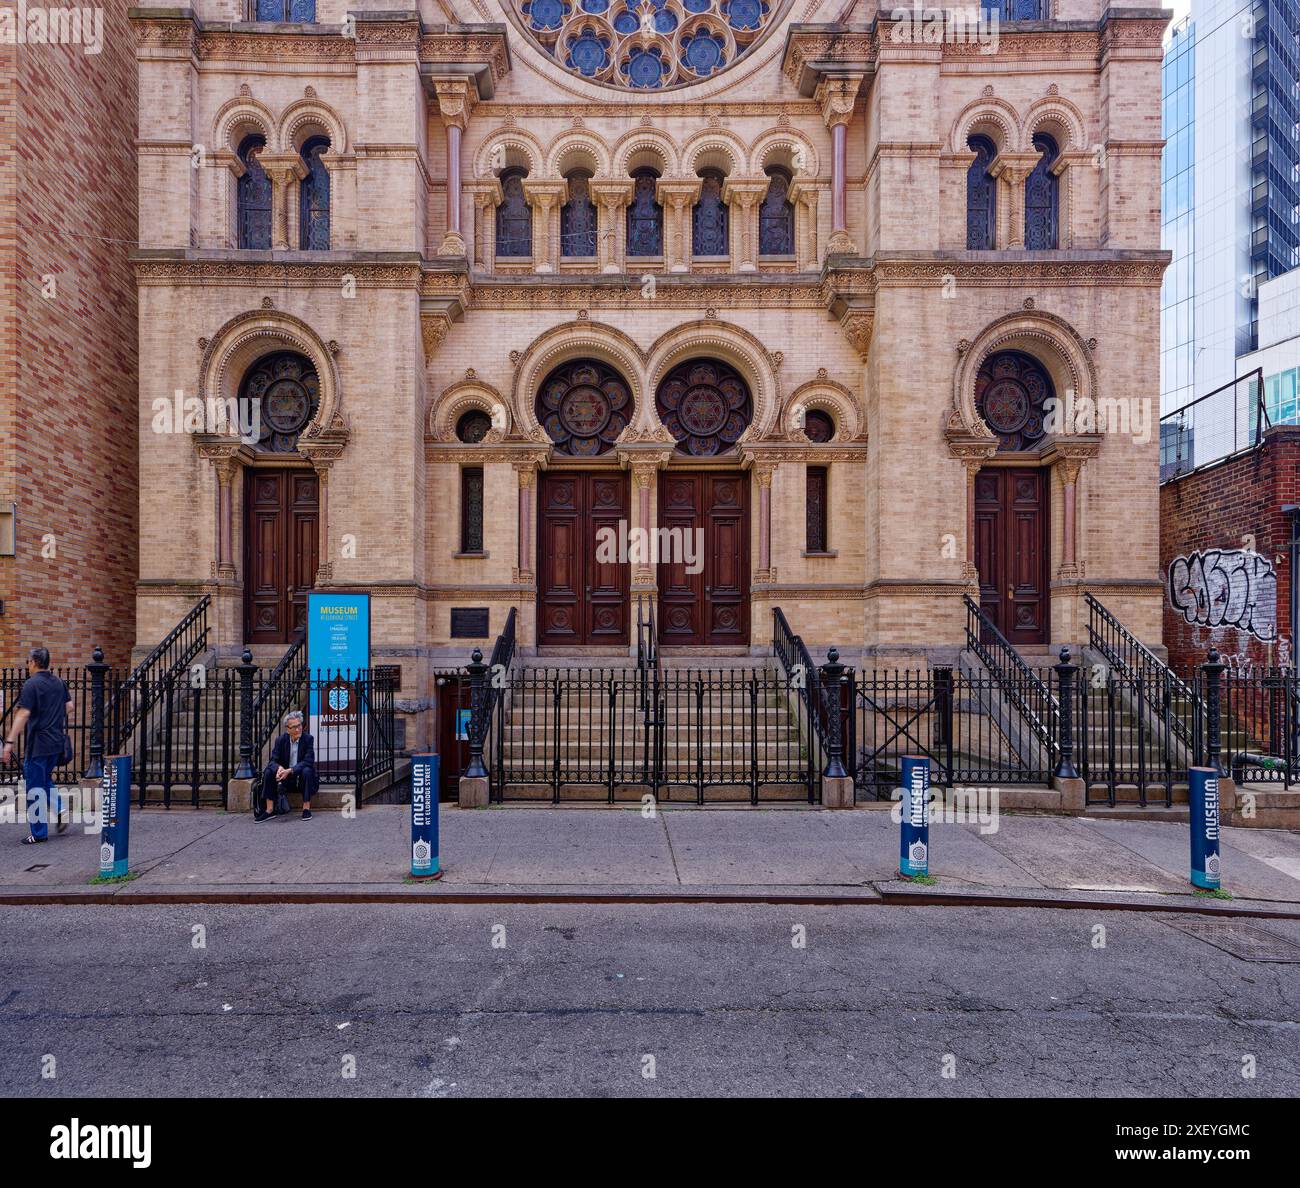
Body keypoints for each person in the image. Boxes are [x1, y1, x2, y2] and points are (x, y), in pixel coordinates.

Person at [2, 648, 73, 845]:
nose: (27, 665)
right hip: (56, 743)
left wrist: (8, 743)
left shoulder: (31, 684)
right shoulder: (59, 682)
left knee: (34, 789)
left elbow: (23, 714)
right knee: (44, 780)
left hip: (38, 745)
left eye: (28, 661)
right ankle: (60, 809)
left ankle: (39, 833)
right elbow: (70, 707)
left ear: (33, 662)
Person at [256, 710, 317, 822]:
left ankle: (306, 809)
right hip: (284, 778)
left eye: (299, 725)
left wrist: (290, 770)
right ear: (288, 729)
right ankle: (269, 810)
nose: (298, 729)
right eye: (294, 727)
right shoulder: (281, 740)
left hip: (300, 777)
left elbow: (308, 761)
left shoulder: (308, 739)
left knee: (307, 770)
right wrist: (279, 768)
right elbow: (273, 760)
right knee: (269, 771)